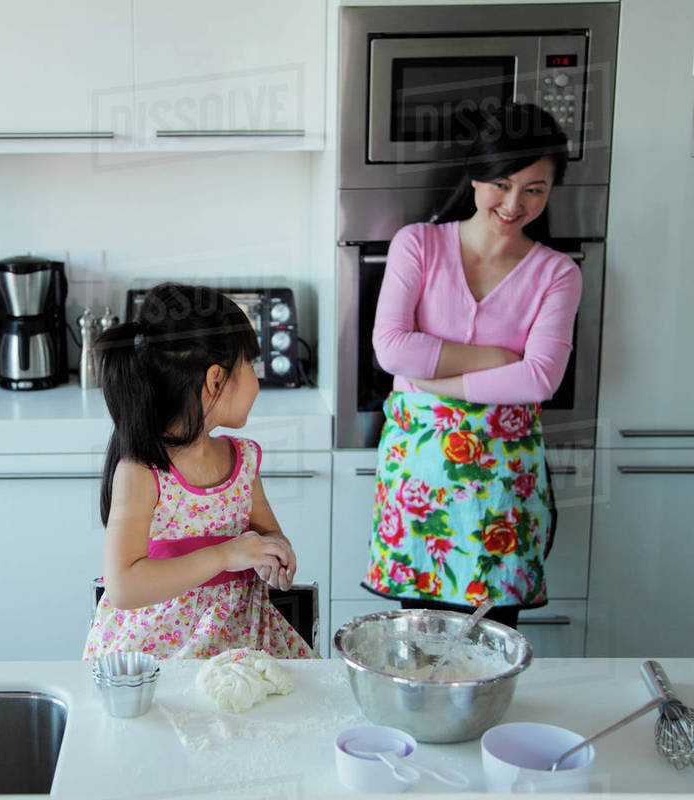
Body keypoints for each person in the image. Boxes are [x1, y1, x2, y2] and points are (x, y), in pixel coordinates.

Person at [364, 103, 581, 629]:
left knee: (492, 640)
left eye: (535, 188)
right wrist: (497, 361)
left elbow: (539, 378)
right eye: (501, 184)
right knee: (414, 638)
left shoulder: (557, 273)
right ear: (477, 177)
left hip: (505, 485)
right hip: (421, 475)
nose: (514, 204)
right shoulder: (418, 244)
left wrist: (437, 380)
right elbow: (392, 349)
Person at [83, 282, 314, 659]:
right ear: (215, 380)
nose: (256, 380)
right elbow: (123, 585)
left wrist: (276, 553)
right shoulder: (143, 472)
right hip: (162, 653)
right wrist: (225, 556)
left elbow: (267, 531)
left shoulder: (244, 460)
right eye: (250, 365)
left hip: (243, 644)